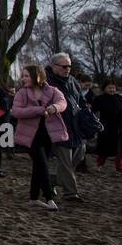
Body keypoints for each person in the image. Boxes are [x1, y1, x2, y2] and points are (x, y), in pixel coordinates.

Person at [12, 64, 67, 210]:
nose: (24, 79)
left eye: (27, 76)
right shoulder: (22, 93)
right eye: (23, 76)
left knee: (38, 166)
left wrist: (54, 108)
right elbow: (16, 111)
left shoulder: (52, 90)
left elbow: (63, 102)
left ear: (38, 76)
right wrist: (39, 110)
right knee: (42, 164)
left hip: (48, 134)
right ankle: (49, 198)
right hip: (29, 136)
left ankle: (33, 198)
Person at [45, 52, 87, 203]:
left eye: (69, 65)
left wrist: (86, 114)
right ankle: (70, 193)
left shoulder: (73, 82)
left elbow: (81, 100)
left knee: (79, 154)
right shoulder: (47, 83)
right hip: (59, 127)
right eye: (64, 66)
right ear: (53, 66)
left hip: (76, 126)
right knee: (66, 161)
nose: (67, 69)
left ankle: (50, 180)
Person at [91, 78, 122, 176]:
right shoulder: (99, 99)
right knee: (104, 148)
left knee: (120, 149)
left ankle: (121, 168)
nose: (112, 89)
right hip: (107, 127)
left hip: (121, 127)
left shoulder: (119, 98)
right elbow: (93, 111)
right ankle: (99, 165)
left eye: (113, 88)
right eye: (109, 88)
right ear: (104, 88)